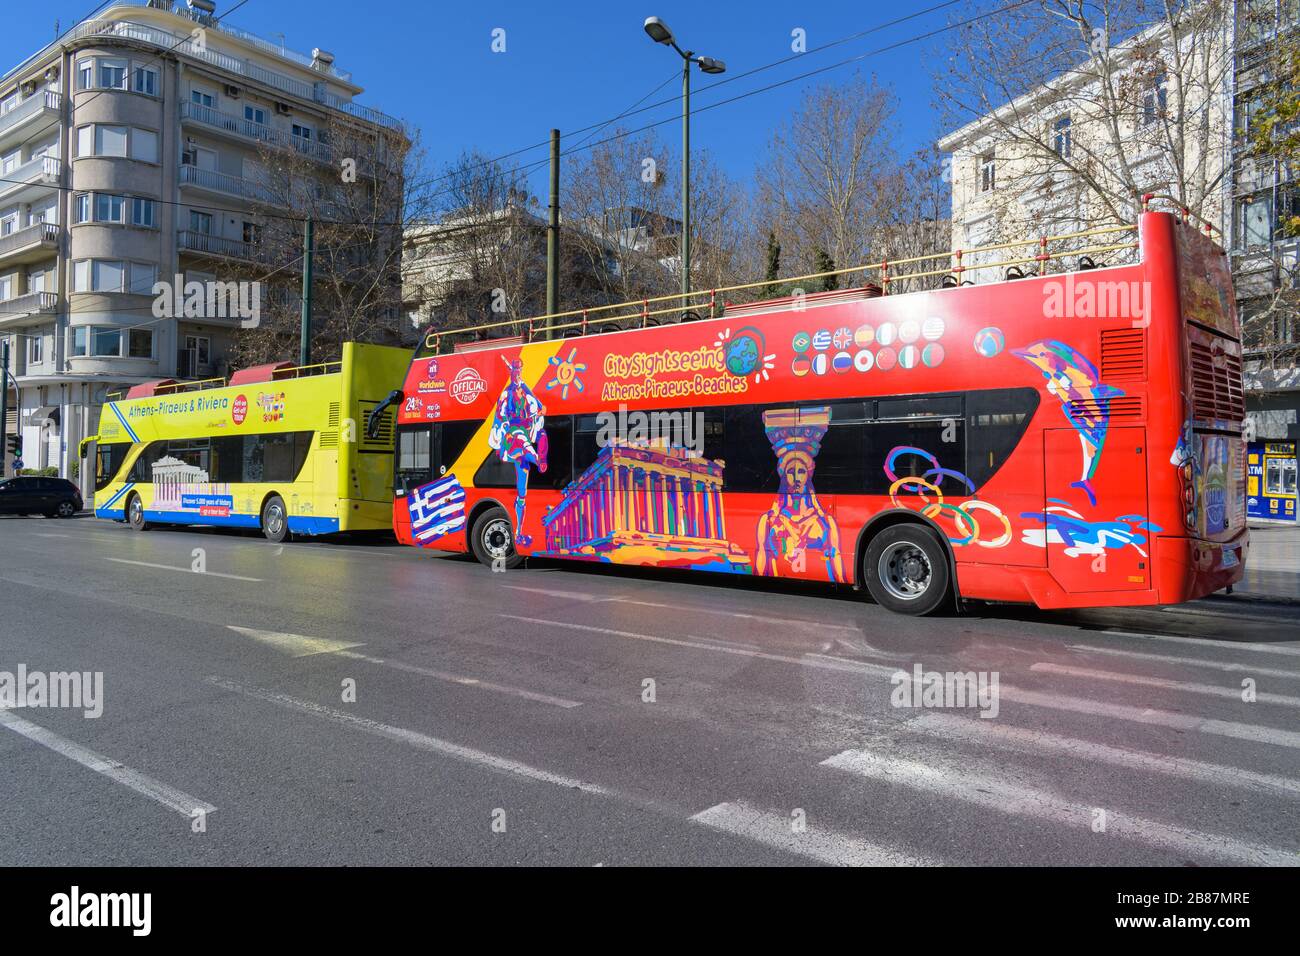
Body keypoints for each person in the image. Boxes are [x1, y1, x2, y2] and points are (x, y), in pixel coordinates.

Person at [755, 406, 844, 582]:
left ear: (808, 475)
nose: (796, 478)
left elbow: (836, 561)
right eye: (791, 472)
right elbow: (761, 559)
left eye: (801, 471)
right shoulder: (769, 521)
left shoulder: (825, 523)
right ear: (783, 476)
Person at [488, 356, 547, 546]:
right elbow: (500, 416)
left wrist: (538, 411)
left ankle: (518, 533)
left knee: (522, 493)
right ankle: (538, 459)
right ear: (511, 371)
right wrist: (508, 424)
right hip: (512, 437)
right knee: (522, 442)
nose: (518, 372)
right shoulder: (507, 394)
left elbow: (541, 408)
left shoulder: (526, 391)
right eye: (515, 369)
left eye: (520, 369)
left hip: (524, 434)